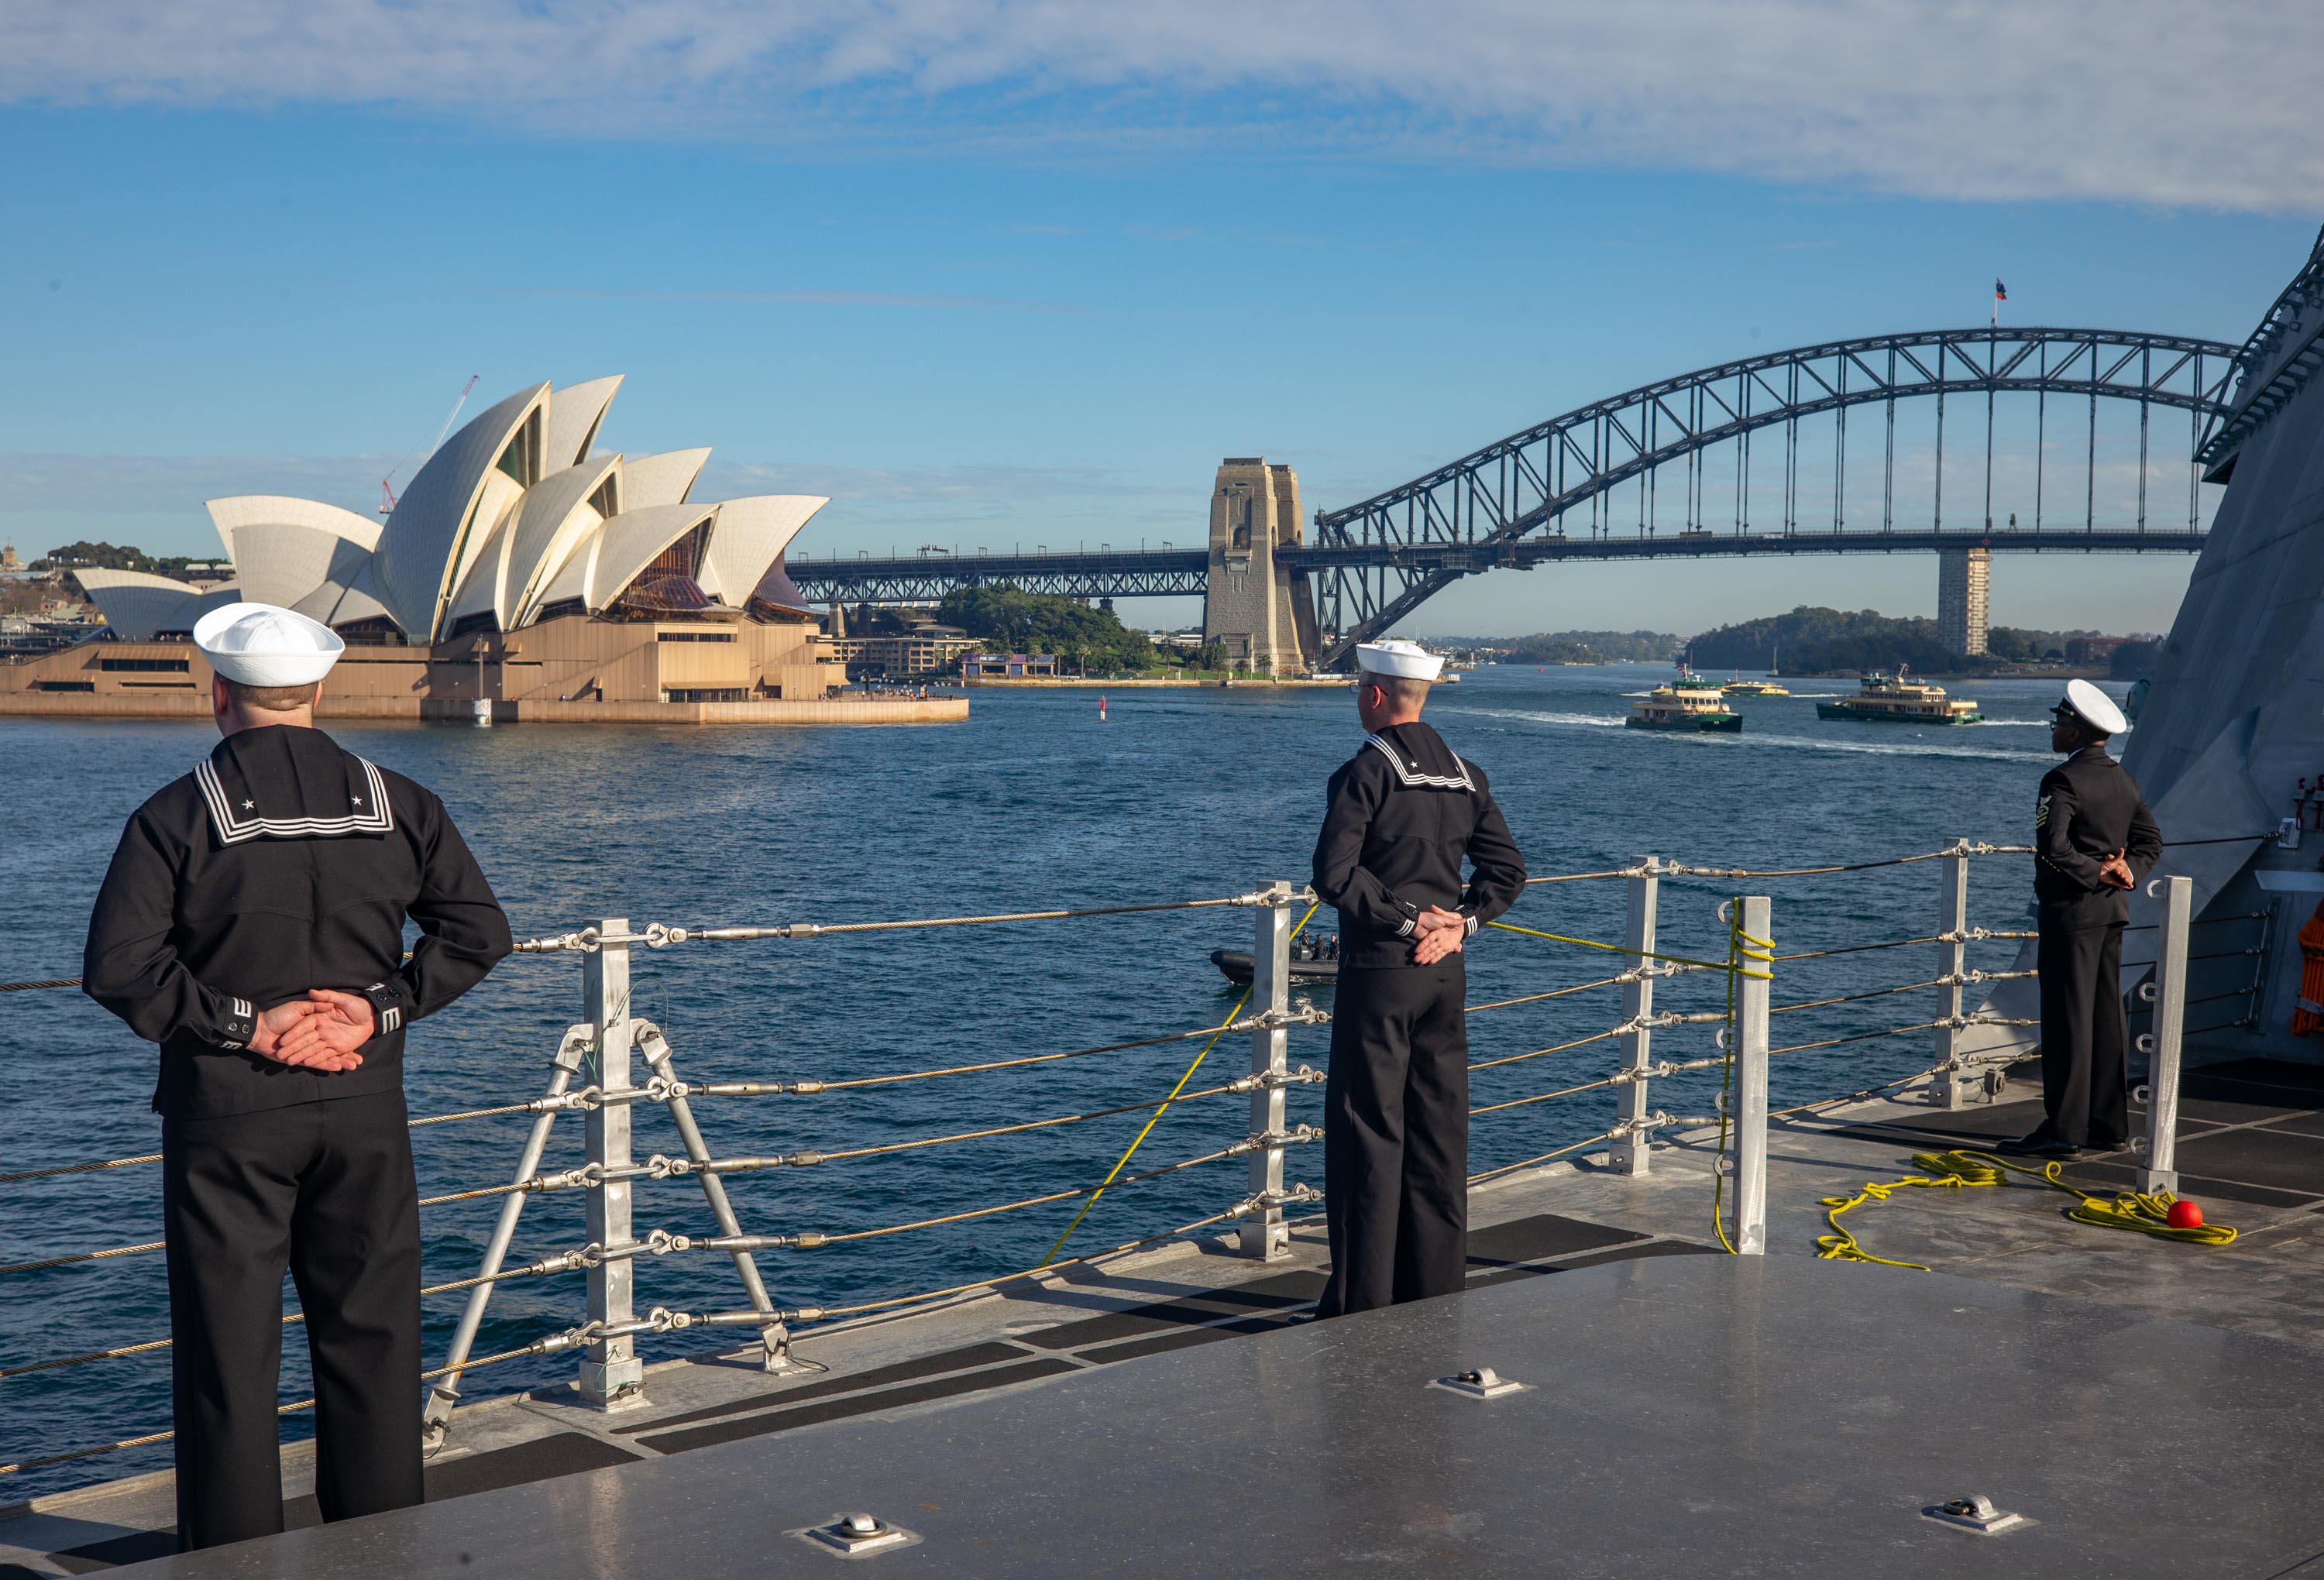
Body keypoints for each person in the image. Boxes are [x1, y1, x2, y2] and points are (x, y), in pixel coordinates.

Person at [81, 603, 512, 1550]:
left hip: (231, 1115)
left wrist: (249, 1022)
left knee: (229, 1355)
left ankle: (231, 1562)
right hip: (364, 1100)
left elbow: (119, 968)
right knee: (376, 1338)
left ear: (218, 693)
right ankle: (380, 1551)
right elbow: (481, 932)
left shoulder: (177, 815)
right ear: (317, 691)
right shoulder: (401, 800)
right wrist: (377, 1006)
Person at [1311, 639, 1526, 1317]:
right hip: (1446, 977)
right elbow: (1508, 873)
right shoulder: (1468, 775)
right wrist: (1460, 924)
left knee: (1367, 1135)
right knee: (1439, 1133)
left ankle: (1361, 1303)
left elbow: (1335, 877)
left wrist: (1409, 925)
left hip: (1382, 974)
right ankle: (1433, 1295)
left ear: (1375, 694)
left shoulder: (1366, 772)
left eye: (1358, 690)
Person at [1999, 678, 2161, 1160]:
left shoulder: (2062, 780)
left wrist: (2096, 874)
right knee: (2106, 1018)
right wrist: (2123, 871)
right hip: (2111, 915)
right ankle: (2107, 1125)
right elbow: (2151, 840)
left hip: (2071, 914)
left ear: (2076, 729)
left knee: (2068, 1021)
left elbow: (2053, 849)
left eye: (2059, 722)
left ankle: (2065, 1131)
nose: (2054, 728)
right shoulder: (2122, 778)